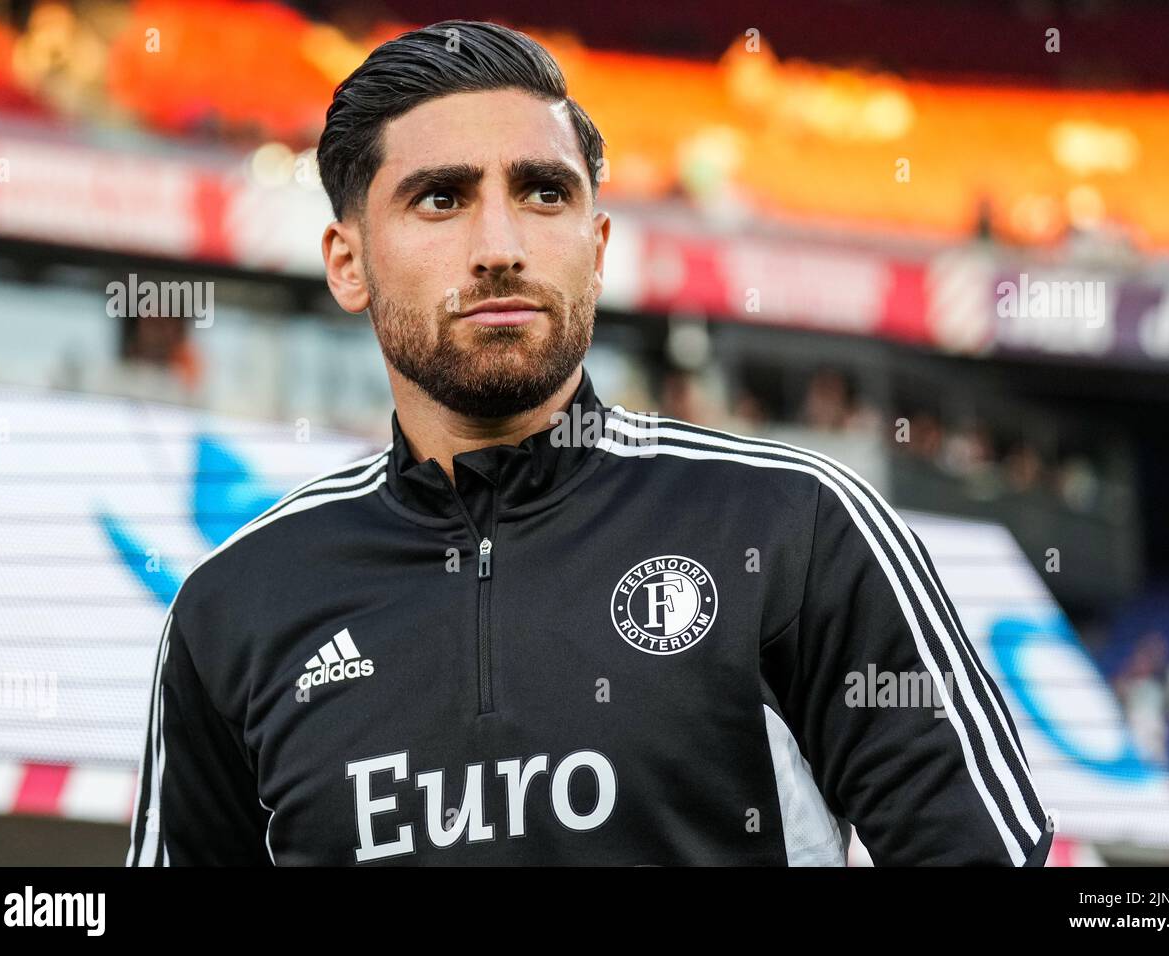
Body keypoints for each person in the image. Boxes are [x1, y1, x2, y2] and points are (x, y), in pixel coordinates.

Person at [127, 19, 1050, 866]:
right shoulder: (233, 613)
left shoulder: (799, 530)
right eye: (441, 199)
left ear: (598, 245)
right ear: (349, 263)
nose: (500, 244)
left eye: (542, 192)